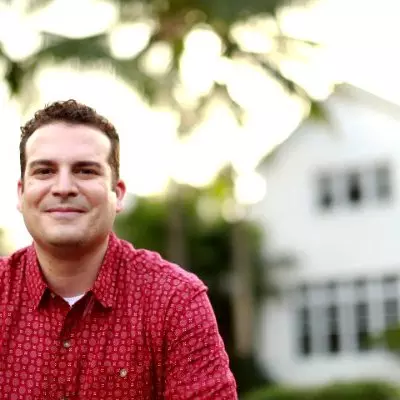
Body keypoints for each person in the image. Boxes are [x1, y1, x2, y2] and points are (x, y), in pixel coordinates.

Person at [0, 100, 237, 399]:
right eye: (45, 171)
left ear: (118, 194)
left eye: (85, 171)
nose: (63, 187)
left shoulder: (175, 302)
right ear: (21, 194)